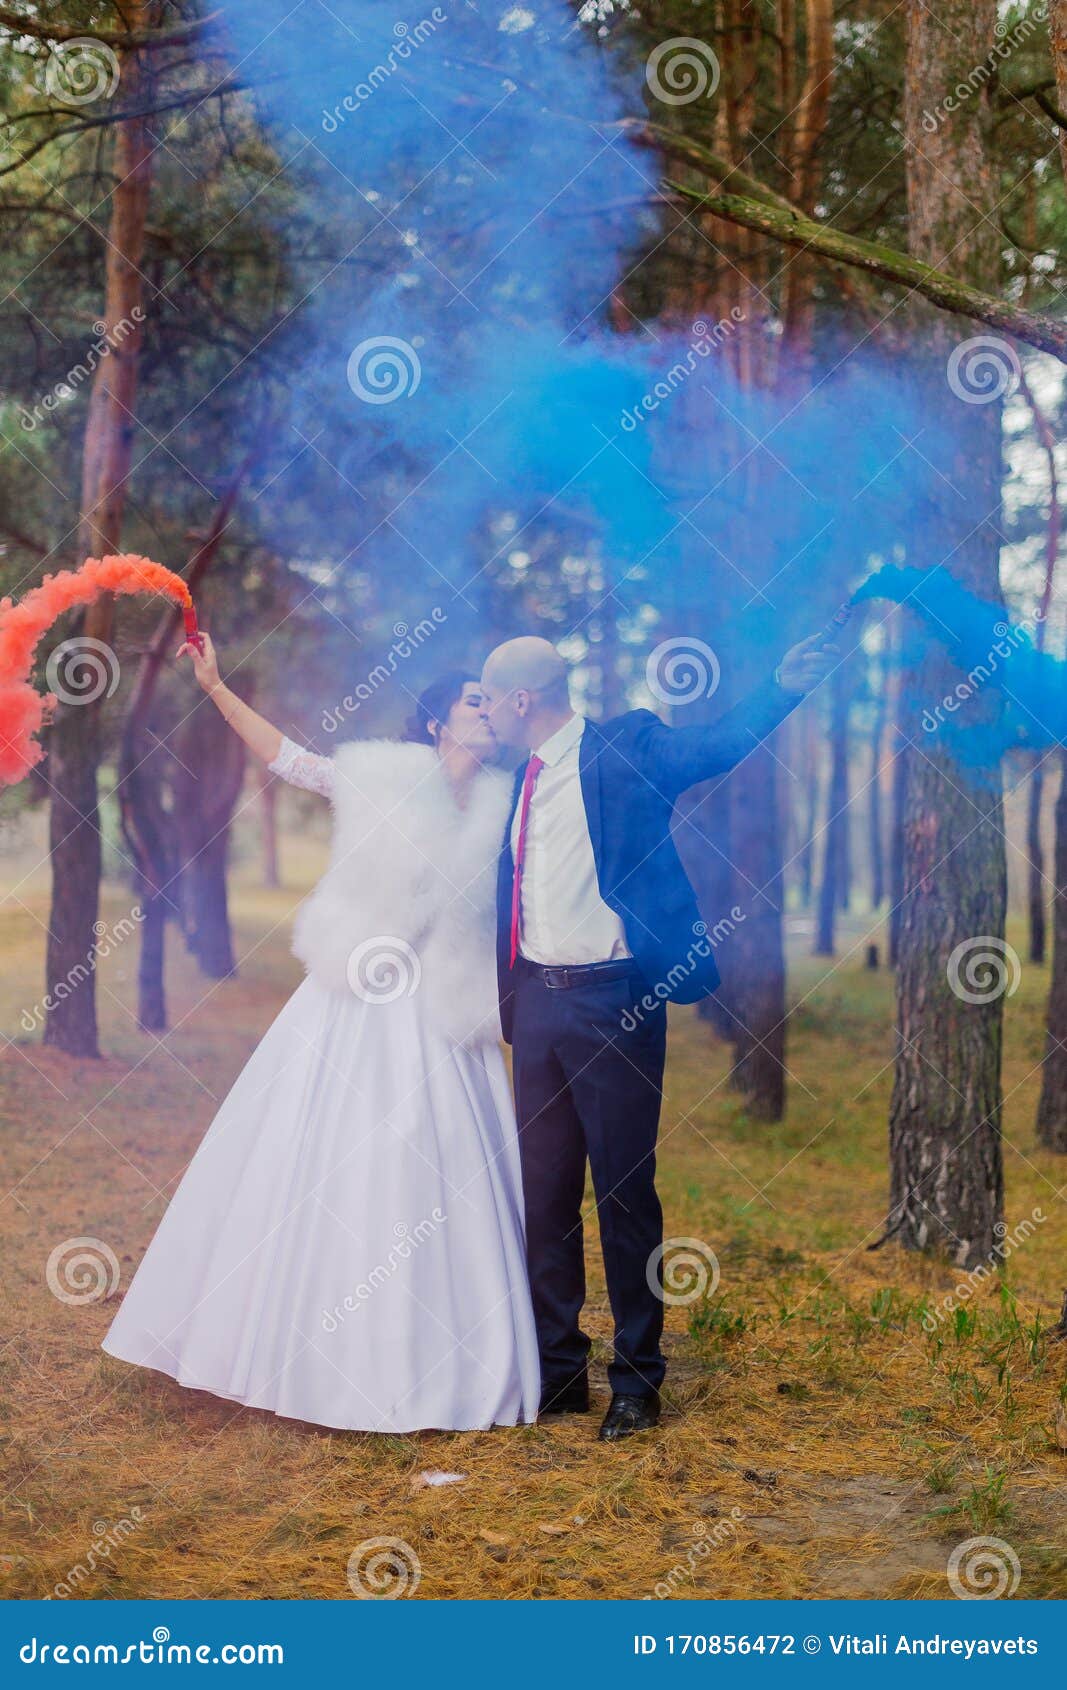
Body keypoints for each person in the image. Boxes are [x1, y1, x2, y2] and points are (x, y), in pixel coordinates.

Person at [102, 639, 540, 1434]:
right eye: (472, 698)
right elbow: (288, 757)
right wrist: (213, 684)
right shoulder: (381, 779)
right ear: (438, 717)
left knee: (441, 1170)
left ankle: (444, 1353)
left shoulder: (510, 803)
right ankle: (305, 1348)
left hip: (446, 1007)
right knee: (336, 1160)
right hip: (355, 998)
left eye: (493, 699)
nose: (487, 708)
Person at [479, 633, 834, 1441]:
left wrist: (779, 685)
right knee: (545, 1198)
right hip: (534, 1007)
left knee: (624, 1197)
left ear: (520, 700)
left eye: (492, 699)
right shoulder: (515, 781)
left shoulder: (624, 746)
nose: (490, 713)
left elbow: (712, 747)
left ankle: (637, 1384)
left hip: (613, 1005)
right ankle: (559, 1372)